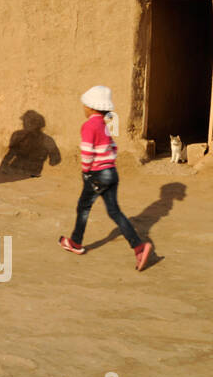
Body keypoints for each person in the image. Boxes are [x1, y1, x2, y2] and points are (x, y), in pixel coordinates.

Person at [58, 86, 153, 270]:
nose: (83, 108)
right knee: (114, 212)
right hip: (111, 172)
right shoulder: (103, 125)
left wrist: (86, 172)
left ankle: (76, 243)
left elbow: (87, 152)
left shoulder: (89, 126)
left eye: (85, 105)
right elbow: (114, 148)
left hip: (97, 174)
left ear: (92, 107)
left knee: (83, 206)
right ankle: (138, 247)